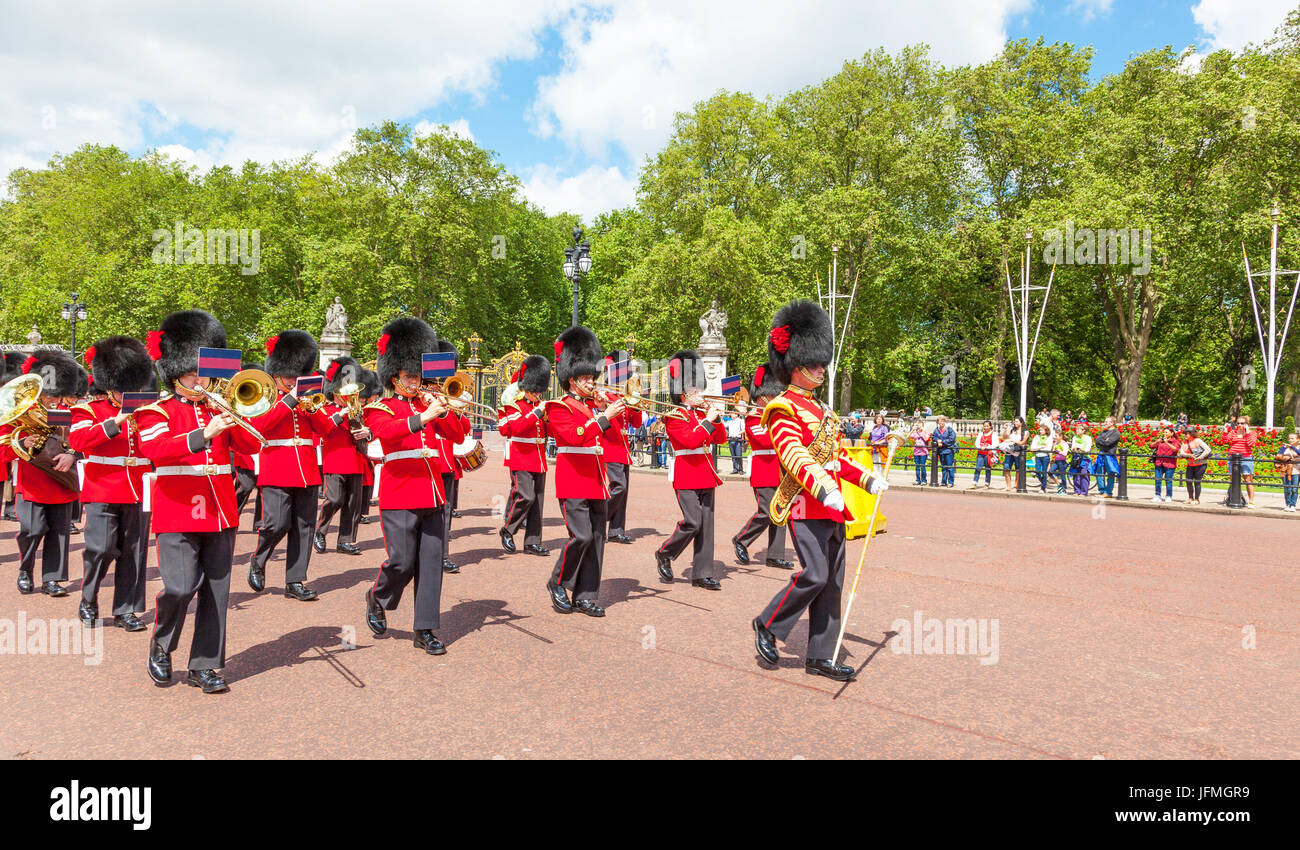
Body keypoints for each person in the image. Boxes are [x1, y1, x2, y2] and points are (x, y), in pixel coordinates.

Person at [751, 300, 887, 682]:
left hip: (832, 506)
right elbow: (794, 456)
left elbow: (837, 456)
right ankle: (768, 623)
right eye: (813, 362)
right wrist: (824, 488)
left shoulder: (823, 410)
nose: (819, 368)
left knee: (833, 583)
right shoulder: (781, 408)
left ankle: (820, 656)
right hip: (805, 503)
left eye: (820, 362)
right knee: (814, 574)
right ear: (794, 365)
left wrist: (866, 479)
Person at [137, 310, 264, 692]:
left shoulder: (219, 409)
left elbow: (254, 444)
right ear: (176, 371)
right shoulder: (157, 411)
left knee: (215, 592)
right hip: (176, 512)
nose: (200, 378)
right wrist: (203, 434)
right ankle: (161, 645)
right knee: (179, 586)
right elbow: (156, 449)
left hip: (220, 511)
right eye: (193, 372)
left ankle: (204, 665)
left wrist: (235, 416)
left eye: (203, 372)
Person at [362, 317, 463, 655]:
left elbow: (458, 436)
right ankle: (378, 596)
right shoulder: (380, 407)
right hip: (400, 493)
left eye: (418, 375)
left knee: (431, 564)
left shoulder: (430, 405)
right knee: (402, 562)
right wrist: (425, 416)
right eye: (410, 375)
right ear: (395, 377)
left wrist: (446, 411)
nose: (416, 381)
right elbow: (388, 433)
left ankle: (425, 629)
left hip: (433, 492)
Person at [68, 336, 154, 630]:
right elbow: (78, 440)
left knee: (135, 551)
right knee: (101, 548)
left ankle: (126, 609)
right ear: (108, 384)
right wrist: (116, 421)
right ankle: (89, 598)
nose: (127, 392)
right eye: (121, 386)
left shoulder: (149, 412)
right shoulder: (89, 410)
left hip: (139, 489)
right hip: (103, 488)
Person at [246, 330, 338, 601]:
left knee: (304, 526)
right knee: (276, 523)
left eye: (296, 375)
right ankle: (258, 559)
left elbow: (324, 430)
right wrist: (290, 400)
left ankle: (295, 580)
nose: (292, 380)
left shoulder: (308, 397)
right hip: (276, 467)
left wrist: (312, 409)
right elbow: (260, 427)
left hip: (307, 470)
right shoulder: (265, 397)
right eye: (288, 375)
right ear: (276, 373)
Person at [544, 326, 624, 616]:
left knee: (597, 540)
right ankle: (558, 582)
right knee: (581, 537)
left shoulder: (594, 407)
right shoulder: (557, 406)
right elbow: (575, 436)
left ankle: (586, 596)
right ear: (571, 379)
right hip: (573, 480)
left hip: (596, 481)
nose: (591, 382)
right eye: (585, 378)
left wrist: (606, 411)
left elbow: (613, 439)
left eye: (592, 377)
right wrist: (602, 416)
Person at [1, 351, 80, 598]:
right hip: (33, 478)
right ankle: (25, 570)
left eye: (55, 394)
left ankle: (52, 579)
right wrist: (23, 442)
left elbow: (82, 440)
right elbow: (3, 445)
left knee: (59, 532)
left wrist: (74, 452)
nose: (52, 398)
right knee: (32, 529)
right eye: (48, 393)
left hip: (62, 476)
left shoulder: (72, 411)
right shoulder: (20, 411)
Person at [655, 349, 727, 591]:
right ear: (684, 392)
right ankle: (665, 553)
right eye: (696, 389)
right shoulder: (673, 416)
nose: (700, 393)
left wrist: (716, 419)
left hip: (706, 473)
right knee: (692, 521)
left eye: (699, 388)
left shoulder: (701, 413)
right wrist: (708, 420)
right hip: (686, 473)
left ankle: (702, 573)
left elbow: (721, 439)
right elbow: (689, 441)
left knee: (706, 525)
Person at [731, 362, 791, 569]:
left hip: (781, 470)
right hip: (763, 470)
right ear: (764, 397)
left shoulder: (775, 416)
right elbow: (765, 441)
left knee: (780, 511)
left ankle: (775, 554)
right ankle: (742, 539)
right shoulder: (753, 417)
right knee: (766, 511)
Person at [314, 356, 370, 557]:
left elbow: (368, 432)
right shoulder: (326, 410)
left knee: (352, 504)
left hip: (355, 462)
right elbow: (324, 429)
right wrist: (342, 414)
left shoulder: (357, 411)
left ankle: (346, 540)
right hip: (335, 461)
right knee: (334, 498)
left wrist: (367, 433)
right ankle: (319, 531)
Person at [498, 355, 552, 555]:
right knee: (525, 496)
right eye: (535, 389)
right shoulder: (514, 405)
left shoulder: (541, 406)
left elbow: (551, 432)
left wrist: (548, 418)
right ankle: (508, 529)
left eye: (540, 389)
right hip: (521, 456)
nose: (538, 393)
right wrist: (537, 413)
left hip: (538, 457)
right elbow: (517, 428)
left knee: (537, 502)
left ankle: (532, 542)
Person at [430, 338, 471, 573]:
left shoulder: (448, 398)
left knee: (445, 513)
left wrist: (453, 407)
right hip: (427, 462)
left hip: (447, 462)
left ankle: (442, 556)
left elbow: (463, 430)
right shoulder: (421, 400)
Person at [598, 349, 643, 543]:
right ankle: (598, 519)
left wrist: (636, 403)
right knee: (619, 487)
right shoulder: (605, 395)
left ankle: (616, 530)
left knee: (623, 493)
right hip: (610, 446)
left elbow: (636, 423)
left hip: (623, 448)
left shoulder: (624, 395)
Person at [1228, 415, 1258, 507]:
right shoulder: (1233, 432)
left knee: (1248, 480)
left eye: (1242, 423)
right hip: (1233, 458)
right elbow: (1225, 440)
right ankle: (1236, 498)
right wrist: (1225, 431)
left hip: (1246, 458)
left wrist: (1247, 432)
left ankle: (1251, 501)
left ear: (1247, 424)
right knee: (1233, 480)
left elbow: (1250, 443)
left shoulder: (1252, 433)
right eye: (1238, 423)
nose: (1240, 425)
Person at [1178, 426, 1211, 505]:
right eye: (1185, 433)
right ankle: (1190, 498)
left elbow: (1208, 449)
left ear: (1192, 434)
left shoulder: (1197, 440)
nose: (1186, 435)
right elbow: (1181, 452)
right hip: (1190, 464)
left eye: (1188, 433)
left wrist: (1200, 457)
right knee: (1188, 481)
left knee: (1197, 481)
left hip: (1200, 464)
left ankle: (1196, 499)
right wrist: (1189, 455)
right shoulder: (1185, 442)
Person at [1093, 416, 1121, 497]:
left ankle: (1108, 492)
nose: (1105, 423)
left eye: (1107, 421)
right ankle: (1101, 490)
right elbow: (1097, 441)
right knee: (1099, 473)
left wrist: (1103, 441)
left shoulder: (1116, 433)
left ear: (1112, 423)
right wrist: (1104, 440)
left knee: (1111, 473)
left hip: (1110, 455)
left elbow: (1108, 443)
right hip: (1101, 454)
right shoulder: (1104, 432)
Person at [1151, 426, 1179, 503]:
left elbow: (1175, 449)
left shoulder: (1175, 441)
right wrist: (1157, 442)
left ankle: (1168, 496)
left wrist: (1167, 442)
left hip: (1169, 463)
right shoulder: (1161, 440)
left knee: (1168, 480)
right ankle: (1157, 495)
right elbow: (1151, 446)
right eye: (1164, 432)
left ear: (1172, 433)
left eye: (1166, 432)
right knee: (1158, 480)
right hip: (1159, 462)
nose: (1164, 433)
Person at [1275, 432, 1299, 512]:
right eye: (1289, 438)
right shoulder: (1285, 447)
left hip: (1296, 471)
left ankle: (1293, 505)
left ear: (1298, 439)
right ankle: (1288, 504)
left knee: (1294, 489)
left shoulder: (1298, 447)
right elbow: (1278, 455)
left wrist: (1292, 447)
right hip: (1285, 470)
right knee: (1287, 488)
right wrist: (1283, 448)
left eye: (1292, 438)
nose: (1290, 440)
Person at [1001, 416, 1027, 491]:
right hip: (1009, 451)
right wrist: (1006, 429)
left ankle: (1016, 486)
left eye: (1017, 421)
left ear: (1021, 422)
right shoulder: (1012, 430)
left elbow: (1023, 442)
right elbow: (1005, 437)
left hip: (1017, 452)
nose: (1015, 423)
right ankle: (1008, 486)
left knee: (1018, 469)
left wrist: (1014, 442)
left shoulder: (1025, 432)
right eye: (1014, 421)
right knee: (1006, 468)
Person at [930, 415, 957, 487]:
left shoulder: (949, 429)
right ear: (938, 422)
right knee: (943, 467)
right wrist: (937, 440)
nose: (941, 422)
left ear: (944, 421)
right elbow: (933, 437)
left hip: (948, 450)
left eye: (943, 420)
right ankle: (944, 481)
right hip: (941, 451)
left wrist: (942, 441)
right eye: (940, 421)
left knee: (949, 467)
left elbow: (952, 439)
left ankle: (951, 482)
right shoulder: (936, 430)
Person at [969, 420, 995, 489]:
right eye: (984, 426)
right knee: (978, 468)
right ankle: (974, 483)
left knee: (988, 469)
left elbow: (995, 444)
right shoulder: (981, 433)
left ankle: (987, 484)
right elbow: (977, 442)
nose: (986, 427)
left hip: (988, 454)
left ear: (990, 426)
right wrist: (980, 447)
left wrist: (986, 447)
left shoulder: (993, 434)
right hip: (980, 453)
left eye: (987, 426)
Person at [1068, 422, 1093, 495]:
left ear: (1084, 430)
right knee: (1075, 474)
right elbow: (1072, 447)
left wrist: (1081, 449)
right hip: (1076, 458)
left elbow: (1087, 448)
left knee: (1083, 474)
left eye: (1079, 429)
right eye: (1077, 429)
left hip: (1084, 458)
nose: (1077, 431)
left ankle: (1084, 492)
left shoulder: (1088, 438)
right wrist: (1075, 449)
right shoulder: (1075, 437)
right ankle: (1076, 491)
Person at [1029, 423, 1053, 492]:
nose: (1040, 431)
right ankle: (1043, 482)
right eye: (1040, 430)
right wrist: (1040, 447)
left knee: (1044, 472)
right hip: (1038, 456)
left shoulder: (1049, 438)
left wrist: (1038, 448)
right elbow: (1032, 448)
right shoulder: (1036, 437)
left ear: (1046, 431)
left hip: (1045, 456)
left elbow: (1048, 448)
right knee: (1037, 471)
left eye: (1042, 430)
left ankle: (1043, 488)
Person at [909, 420, 929, 484]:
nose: (919, 427)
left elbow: (926, 439)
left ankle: (924, 480)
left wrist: (923, 431)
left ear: (923, 426)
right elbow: (908, 437)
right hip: (916, 452)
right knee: (917, 466)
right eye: (918, 425)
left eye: (920, 425)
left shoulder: (925, 432)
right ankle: (918, 480)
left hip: (923, 452)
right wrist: (912, 430)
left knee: (922, 466)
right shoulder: (915, 433)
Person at [726, 409, 745, 474]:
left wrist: (737, 434)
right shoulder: (730, 421)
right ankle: (735, 469)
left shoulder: (740, 421)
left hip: (737, 439)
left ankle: (741, 469)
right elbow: (724, 426)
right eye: (731, 413)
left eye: (733, 413)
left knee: (738, 455)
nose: (731, 414)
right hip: (731, 439)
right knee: (733, 456)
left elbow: (743, 430)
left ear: (737, 414)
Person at [1049, 429, 1069, 494]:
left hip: (1063, 461)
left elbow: (1065, 453)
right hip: (1057, 460)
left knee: (1062, 474)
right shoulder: (1056, 443)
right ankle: (1058, 484)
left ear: (1061, 436)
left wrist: (1059, 451)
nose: (1055, 437)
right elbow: (1053, 451)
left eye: (1056, 436)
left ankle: (1063, 488)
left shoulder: (1064, 444)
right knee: (1050, 472)